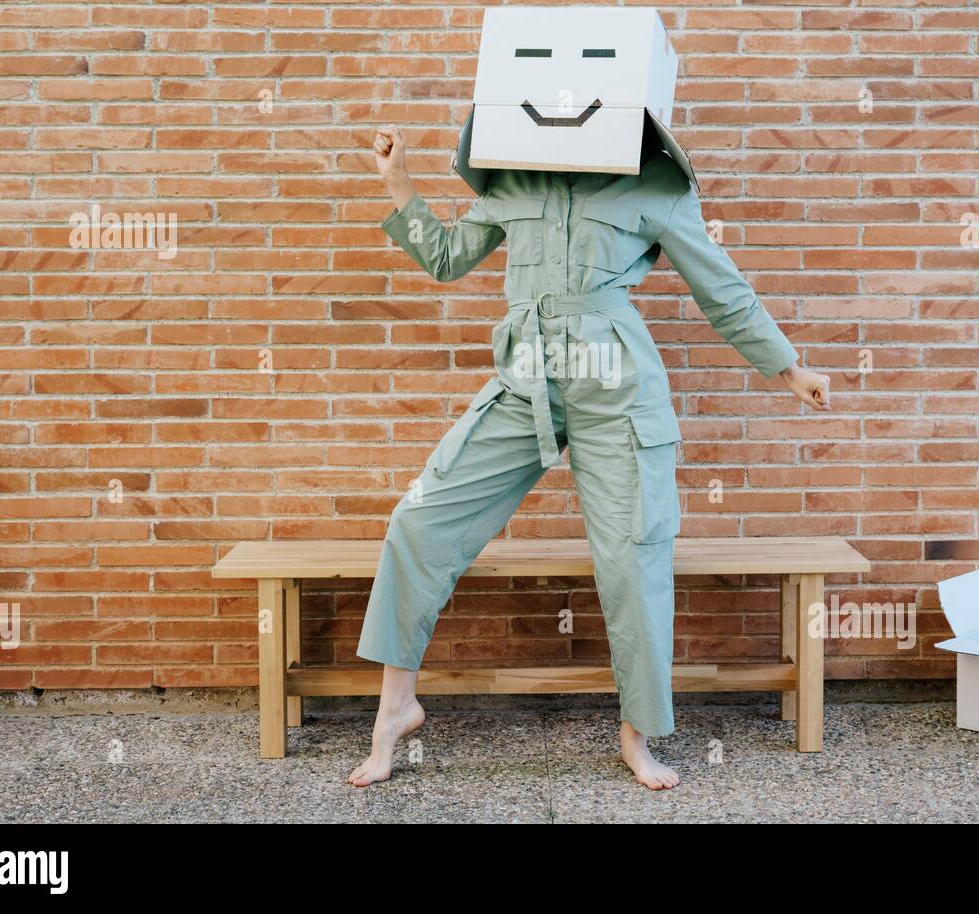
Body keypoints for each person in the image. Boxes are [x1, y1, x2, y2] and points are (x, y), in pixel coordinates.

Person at [351, 122, 831, 790]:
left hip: (620, 391)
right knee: (418, 521)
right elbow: (446, 257)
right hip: (524, 381)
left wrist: (788, 368)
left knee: (634, 553)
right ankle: (396, 710)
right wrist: (397, 180)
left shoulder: (656, 183)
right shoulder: (513, 174)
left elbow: (721, 288)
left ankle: (638, 735)